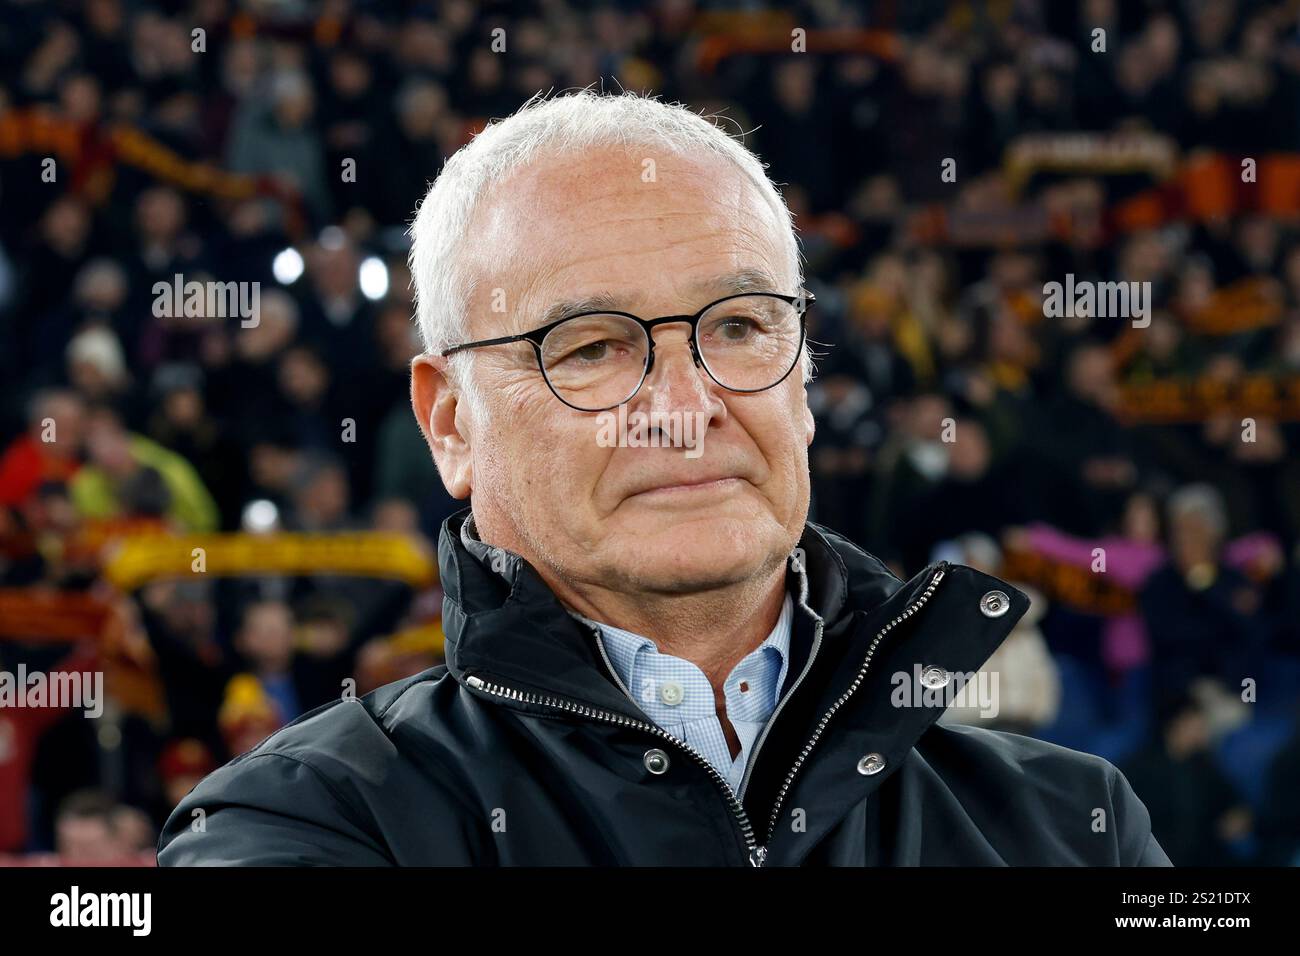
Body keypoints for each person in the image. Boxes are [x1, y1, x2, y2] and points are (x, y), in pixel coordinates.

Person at [158, 90, 1169, 867]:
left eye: (737, 327)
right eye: (590, 345)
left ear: (805, 381)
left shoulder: (1076, 827)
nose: (685, 404)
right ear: (450, 421)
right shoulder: (296, 825)